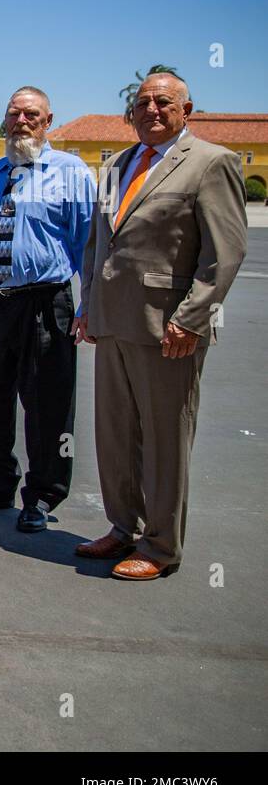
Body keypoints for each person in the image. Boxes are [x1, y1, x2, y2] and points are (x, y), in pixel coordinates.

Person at [74, 72, 247, 580]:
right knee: (115, 433)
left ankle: (161, 546)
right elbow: (96, 246)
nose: (151, 109)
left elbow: (225, 253)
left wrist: (191, 319)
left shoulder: (211, 163)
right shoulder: (115, 166)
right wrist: (89, 306)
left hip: (167, 328)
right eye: (142, 101)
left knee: (165, 438)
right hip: (112, 322)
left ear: (186, 109)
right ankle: (122, 526)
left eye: (163, 101)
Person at [0, 87, 94, 531]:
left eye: (31, 114)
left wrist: (86, 302)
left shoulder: (70, 172)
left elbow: (88, 243)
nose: (21, 122)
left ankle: (42, 495)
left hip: (43, 301)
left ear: (48, 120)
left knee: (47, 401)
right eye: (14, 114)